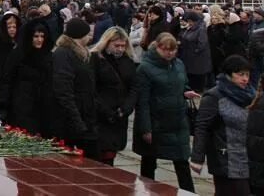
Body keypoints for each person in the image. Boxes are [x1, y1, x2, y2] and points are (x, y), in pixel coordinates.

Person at [133, 32, 198, 193]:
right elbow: (142, 101)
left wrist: (186, 92)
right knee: (149, 160)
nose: (169, 53)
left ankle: (189, 192)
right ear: (158, 48)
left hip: (177, 120)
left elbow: (183, 84)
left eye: (173, 50)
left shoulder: (179, 64)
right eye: (165, 49)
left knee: (182, 161)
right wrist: (146, 128)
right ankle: (145, 191)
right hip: (156, 121)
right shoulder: (145, 68)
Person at [192, 55, 254, 195]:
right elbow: (202, 127)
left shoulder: (249, 95)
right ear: (229, 75)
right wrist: (197, 157)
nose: (245, 79)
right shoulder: (214, 97)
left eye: (247, 74)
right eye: (240, 74)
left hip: (246, 156)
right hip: (225, 157)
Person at [90, 26, 137, 166]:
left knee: (111, 153)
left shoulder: (127, 61)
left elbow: (134, 87)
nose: (120, 49)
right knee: (100, 156)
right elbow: (91, 89)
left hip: (120, 114)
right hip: (101, 115)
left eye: (123, 46)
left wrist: (127, 108)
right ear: (107, 42)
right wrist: (105, 110)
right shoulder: (95, 59)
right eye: (117, 45)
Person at [51, 18, 98, 158]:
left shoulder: (80, 53)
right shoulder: (64, 54)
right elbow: (63, 90)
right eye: (87, 34)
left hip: (84, 115)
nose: (90, 37)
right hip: (71, 120)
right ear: (80, 35)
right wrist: (77, 121)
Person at [1, 20, 54, 137]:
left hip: (42, 103)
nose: (40, 40)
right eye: (36, 36)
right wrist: (5, 104)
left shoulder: (48, 55)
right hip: (21, 103)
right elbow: (8, 79)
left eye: (42, 36)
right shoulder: (18, 54)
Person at [0, 12, 20, 103]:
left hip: (19, 82)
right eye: (9, 27)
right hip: (1, 81)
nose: (12, 30)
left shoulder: (22, 42)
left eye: (14, 27)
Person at [181, 10, 213, 93]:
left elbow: (202, 43)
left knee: (198, 73)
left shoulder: (201, 29)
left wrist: (196, 50)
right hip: (190, 55)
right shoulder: (190, 28)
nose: (189, 23)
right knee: (191, 73)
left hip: (198, 56)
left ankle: (198, 89)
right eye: (188, 21)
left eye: (190, 21)